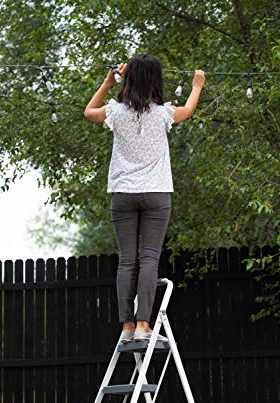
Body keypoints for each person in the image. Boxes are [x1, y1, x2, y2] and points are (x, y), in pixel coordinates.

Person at [84, 54, 205, 343]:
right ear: (156, 81)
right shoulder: (163, 113)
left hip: (123, 193)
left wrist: (109, 79)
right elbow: (188, 110)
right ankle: (143, 325)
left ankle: (126, 328)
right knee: (149, 258)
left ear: (129, 79)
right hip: (156, 192)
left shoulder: (115, 112)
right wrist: (197, 85)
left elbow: (89, 111)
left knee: (127, 261)